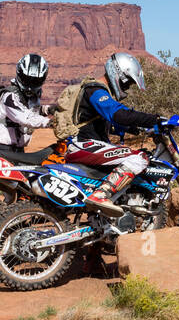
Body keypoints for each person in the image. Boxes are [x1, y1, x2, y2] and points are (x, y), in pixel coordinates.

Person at [63, 52, 163, 213]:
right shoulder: (95, 90)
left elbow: (106, 123)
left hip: (86, 145)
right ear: (119, 74)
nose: (127, 87)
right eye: (127, 82)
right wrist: (154, 119)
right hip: (83, 145)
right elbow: (118, 114)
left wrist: (133, 128)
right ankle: (101, 195)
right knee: (140, 158)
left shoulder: (98, 91)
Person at [0, 53, 52, 153]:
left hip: (18, 150)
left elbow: (31, 110)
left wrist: (48, 109)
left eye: (35, 81)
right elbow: (24, 117)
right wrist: (49, 123)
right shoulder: (9, 96)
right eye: (27, 80)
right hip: (2, 150)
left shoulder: (30, 97)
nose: (30, 86)